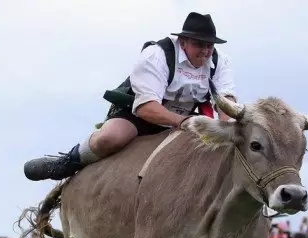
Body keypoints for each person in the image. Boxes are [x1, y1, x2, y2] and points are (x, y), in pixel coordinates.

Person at [23, 12, 238, 182]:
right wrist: (183, 122)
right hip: (141, 114)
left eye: (210, 45)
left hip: (185, 119)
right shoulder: (157, 55)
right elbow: (146, 107)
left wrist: (228, 128)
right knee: (111, 138)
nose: (206, 51)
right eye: (199, 44)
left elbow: (226, 100)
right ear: (183, 41)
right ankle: (67, 163)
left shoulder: (220, 61)